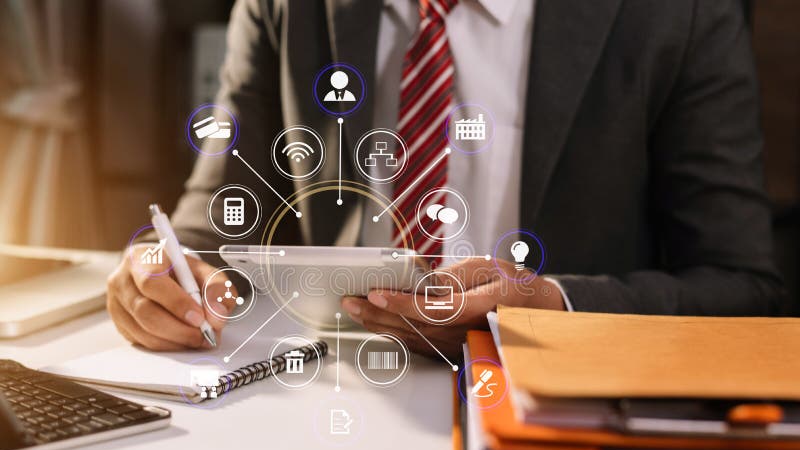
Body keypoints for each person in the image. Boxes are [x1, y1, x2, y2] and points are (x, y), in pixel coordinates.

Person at [107, 0, 786, 355]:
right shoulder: (286, 5)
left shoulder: (678, 14)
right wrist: (160, 272)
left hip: (547, 402)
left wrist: (552, 303)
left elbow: (742, 287)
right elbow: (208, 223)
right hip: (332, 390)